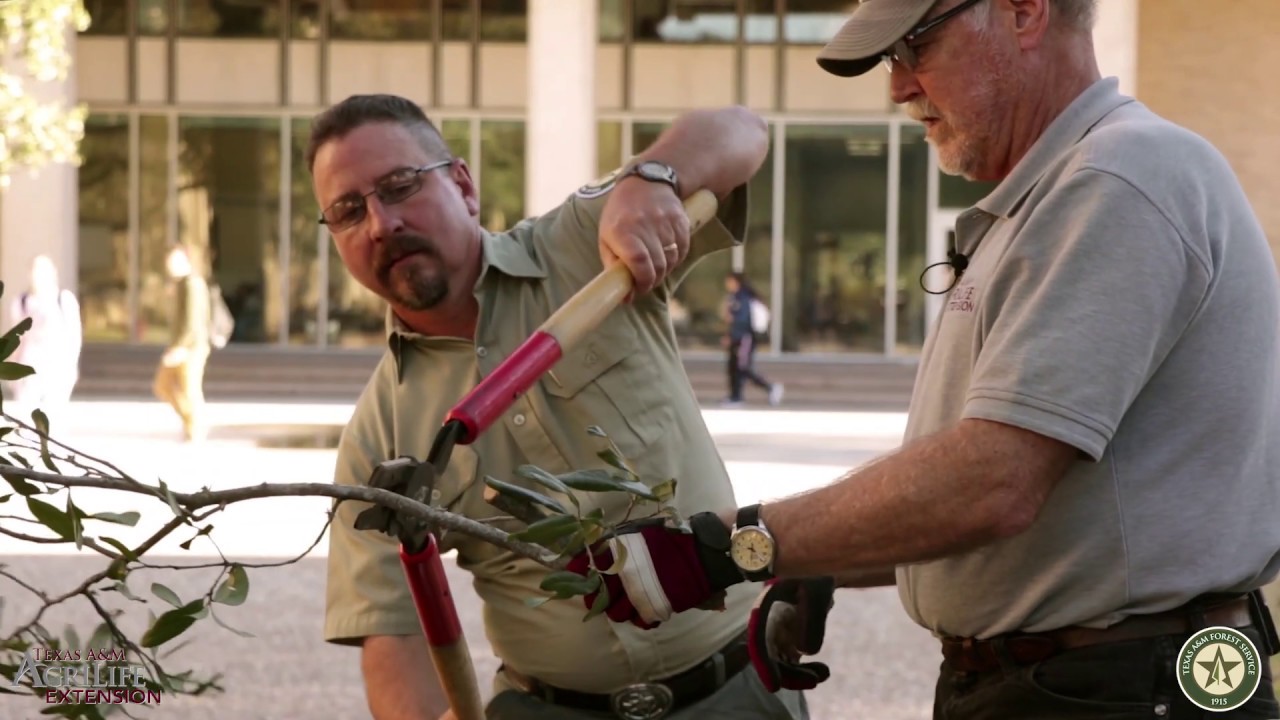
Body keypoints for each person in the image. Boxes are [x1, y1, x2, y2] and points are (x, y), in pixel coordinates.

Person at [569, 1, 1280, 718]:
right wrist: (821, 558)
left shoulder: (1119, 177)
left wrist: (732, 546)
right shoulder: (1059, 191)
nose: (898, 87)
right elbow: (1029, 501)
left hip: (1123, 685)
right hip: (1086, 677)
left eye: (916, 47)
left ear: (1024, 12)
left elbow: (995, 481)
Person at [310, 93, 808, 720]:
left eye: (401, 185)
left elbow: (741, 130)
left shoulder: (582, 246)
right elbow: (393, 633)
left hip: (738, 692)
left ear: (463, 185)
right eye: (349, 210)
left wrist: (650, 179)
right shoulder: (379, 435)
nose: (382, 223)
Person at [5, 255, 82, 414]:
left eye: (43, 270)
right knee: (27, 418)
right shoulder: (22, 302)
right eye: (35, 270)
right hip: (29, 367)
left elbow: (74, 336)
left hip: (57, 368)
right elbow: (16, 339)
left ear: (53, 273)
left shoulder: (64, 300)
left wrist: (71, 367)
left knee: (54, 419)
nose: (38, 275)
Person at [152, 244, 212, 443]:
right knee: (163, 385)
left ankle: (195, 428)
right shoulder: (180, 284)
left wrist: (180, 347)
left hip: (191, 348)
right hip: (181, 345)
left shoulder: (192, 284)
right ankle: (192, 422)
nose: (169, 264)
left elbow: (192, 322)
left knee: (190, 389)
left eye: (173, 260)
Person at [721, 272, 782, 407]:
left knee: (743, 367)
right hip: (736, 338)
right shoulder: (734, 297)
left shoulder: (743, 298)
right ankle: (735, 397)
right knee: (733, 367)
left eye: (729, 281)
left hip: (744, 338)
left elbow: (741, 320)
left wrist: (732, 324)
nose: (727, 285)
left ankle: (770, 388)